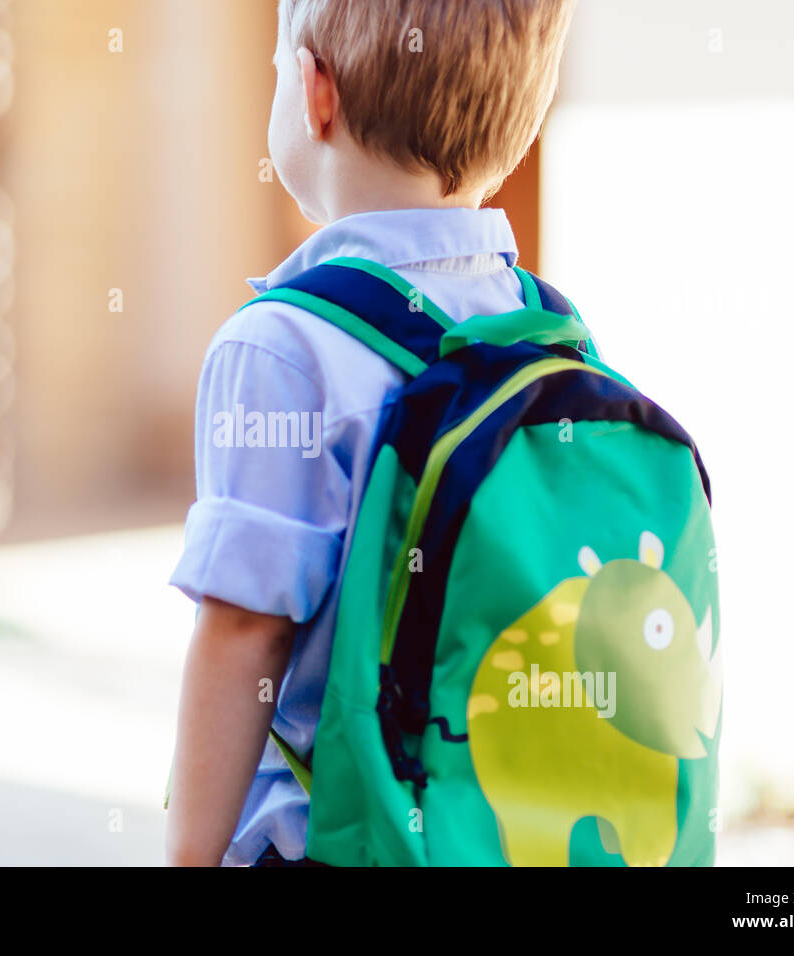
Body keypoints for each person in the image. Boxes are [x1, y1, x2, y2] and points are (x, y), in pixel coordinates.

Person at [165, 0, 578, 866]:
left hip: (339, 841)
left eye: (278, 71)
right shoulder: (547, 333)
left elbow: (248, 632)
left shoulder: (283, 346)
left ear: (315, 92)